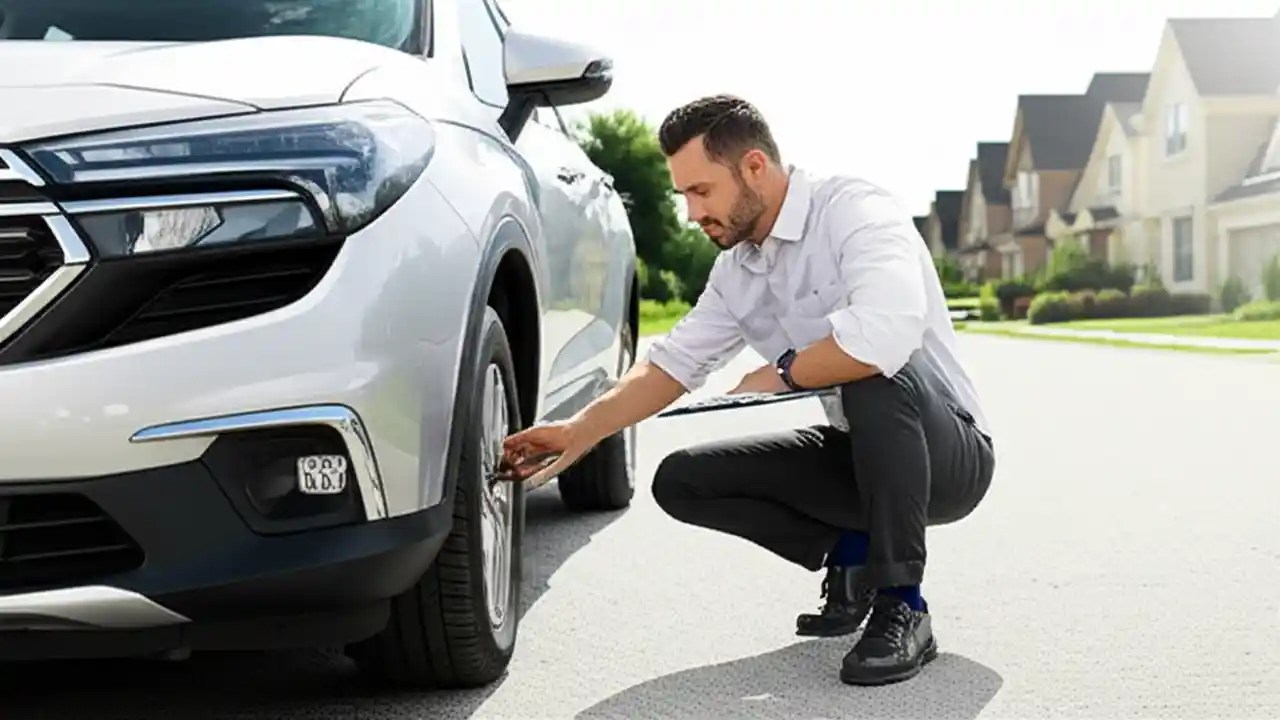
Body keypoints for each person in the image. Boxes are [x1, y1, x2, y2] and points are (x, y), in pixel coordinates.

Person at [500, 94, 996, 687]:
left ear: (754, 167)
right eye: (683, 195)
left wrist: (785, 371)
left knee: (871, 375)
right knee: (683, 481)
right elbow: (670, 365)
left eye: (701, 192)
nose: (690, 213)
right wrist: (579, 430)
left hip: (949, 456)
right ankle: (854, 555)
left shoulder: (855, 212)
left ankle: (904, 603)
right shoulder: (738, 270)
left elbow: (881, 339)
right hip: (859, 456)